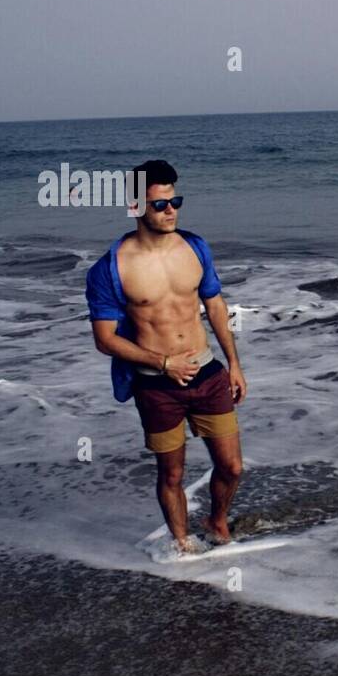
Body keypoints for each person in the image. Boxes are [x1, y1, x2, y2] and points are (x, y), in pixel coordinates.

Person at [85, 160, 247, 552]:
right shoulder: (110, 269)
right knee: (171, 472)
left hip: (207, 373)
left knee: (232, 466)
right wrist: (163, 363)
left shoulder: (195, 247)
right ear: (136, 207)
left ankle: (217, 520)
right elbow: (105, 339)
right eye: (159, 204)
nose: (170, 210)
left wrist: (234, 363)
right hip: (157, 385)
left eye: (175, 201)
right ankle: (182, 544)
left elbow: (216, 306)